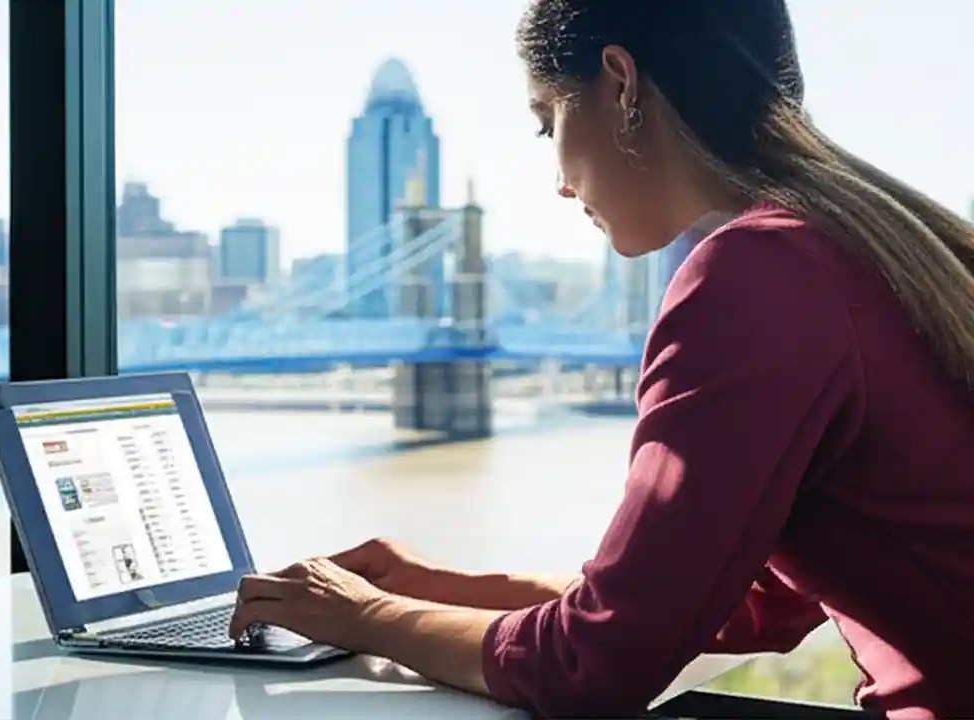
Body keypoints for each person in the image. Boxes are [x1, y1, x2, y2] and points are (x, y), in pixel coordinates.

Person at [229, 1, 974, 717]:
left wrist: (364, 616)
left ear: (620, 85)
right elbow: (748, 601)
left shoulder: (757, 274)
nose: (556, 179)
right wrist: (439, 584)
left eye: (546, 118)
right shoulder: (876, 246)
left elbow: (592, 667)